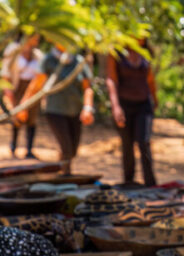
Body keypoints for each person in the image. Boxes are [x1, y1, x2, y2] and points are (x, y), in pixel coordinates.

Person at [19, 45, 94, 174]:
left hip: (75, 111)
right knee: (67, 148)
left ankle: (61, 168)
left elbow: (87, 87)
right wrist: (23, 106)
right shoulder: (48, 60)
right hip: (55, 111)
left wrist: (88, 108)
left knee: (73, 150)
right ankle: (66, 175)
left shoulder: (79, 61)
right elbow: (36, 85)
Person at [105, 39, 157, 186]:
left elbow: (150, 79)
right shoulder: (117, 53)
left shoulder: (145, 54)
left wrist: (155, 98)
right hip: (124, 104)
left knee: (144, 141)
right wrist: (115, 106)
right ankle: (129, 183)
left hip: (144, 104)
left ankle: (151, 184)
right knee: (127, 145)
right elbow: (111, 80)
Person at [2, 34, 43, 158]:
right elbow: (6, 73)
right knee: (16, 117)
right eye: (35, 37)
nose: (37, 39)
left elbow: (40, 76)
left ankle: (29, 149)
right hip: (16, 87)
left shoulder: (38, 55)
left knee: (32, 118)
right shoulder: (13, 51)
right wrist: (8, 92)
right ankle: (13, 146)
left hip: (33, 88)